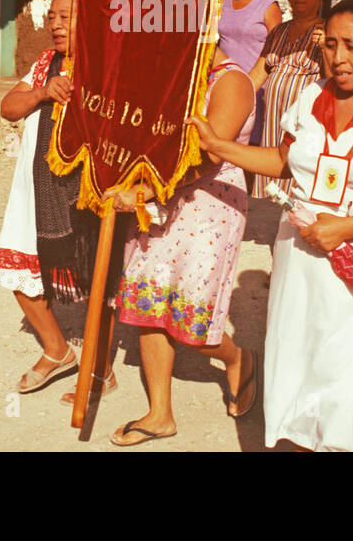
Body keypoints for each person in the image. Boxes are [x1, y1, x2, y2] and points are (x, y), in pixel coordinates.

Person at [191, 0, 353, 452]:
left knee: (345, 389)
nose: (338, 57)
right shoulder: (312, 98)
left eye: (352, 45)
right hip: (301, 257)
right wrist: (220, 145)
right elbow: (283, 162)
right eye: (330, 44)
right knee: (299, 368)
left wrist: (346, 228)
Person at [108, 48, 256, 445]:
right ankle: (160, 414)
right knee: (149, 300)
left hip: (211, 204)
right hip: (159, 201)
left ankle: (237, 358)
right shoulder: (171, 78)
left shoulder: (231, 81)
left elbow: (209, 156)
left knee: (191, 317)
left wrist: (146, 189)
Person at [0, 0, 118, 399]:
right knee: (18, 269)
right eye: (51, 17)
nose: (56, 24)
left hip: (83, 190)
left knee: (97, 277)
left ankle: (100, 371)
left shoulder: (106, 65)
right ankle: (58, 351)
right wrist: (43, 93)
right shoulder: (46, 62)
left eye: (66, 16)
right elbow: (8, 108)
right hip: (35, 187)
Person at [248, 0, 333, 198]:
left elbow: (334, 79)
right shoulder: (279, 31)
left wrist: (326, 47)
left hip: (304, 119)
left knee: (296, 178)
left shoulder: (327, 32)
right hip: (273, 121)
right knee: (269, 175)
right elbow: (259, 72)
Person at [218, 0, 283, 72]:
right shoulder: (227, 1)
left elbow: (276, 47)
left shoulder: (269, 6)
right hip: (222, 77)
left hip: (252, 80)